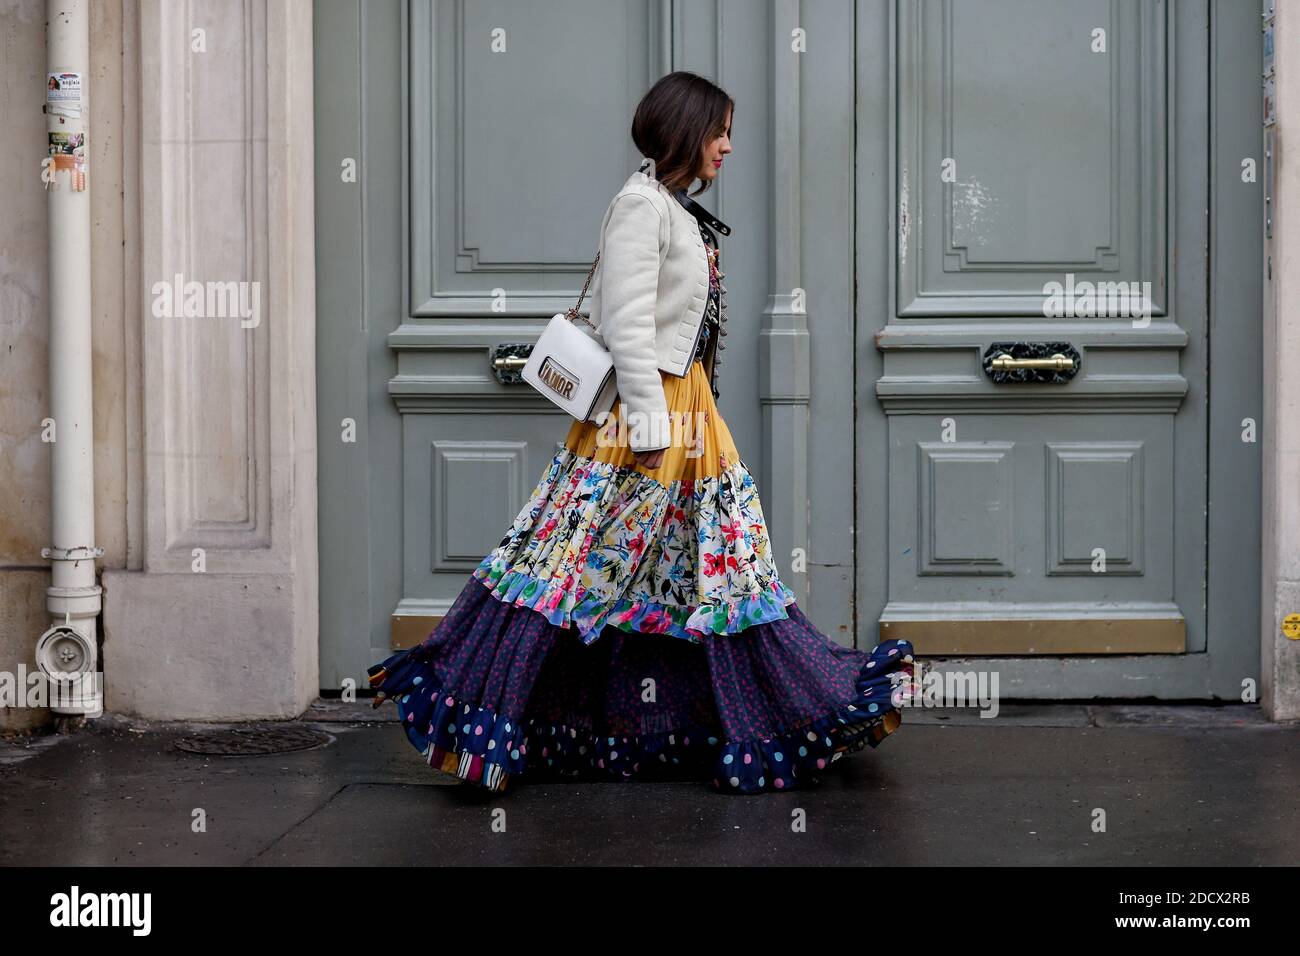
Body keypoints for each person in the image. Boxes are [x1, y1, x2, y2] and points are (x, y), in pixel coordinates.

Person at [368, 71, 916, 794]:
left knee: (719, 570)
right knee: (573, 563)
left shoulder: (673, 209)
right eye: (719, 131)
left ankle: (727, 722)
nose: (727, 146)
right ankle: (490, 724)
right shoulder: (640, 206)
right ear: (686, 129)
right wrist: (653, 425)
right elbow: (625, 324)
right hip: (645, 416)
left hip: (687, 415)